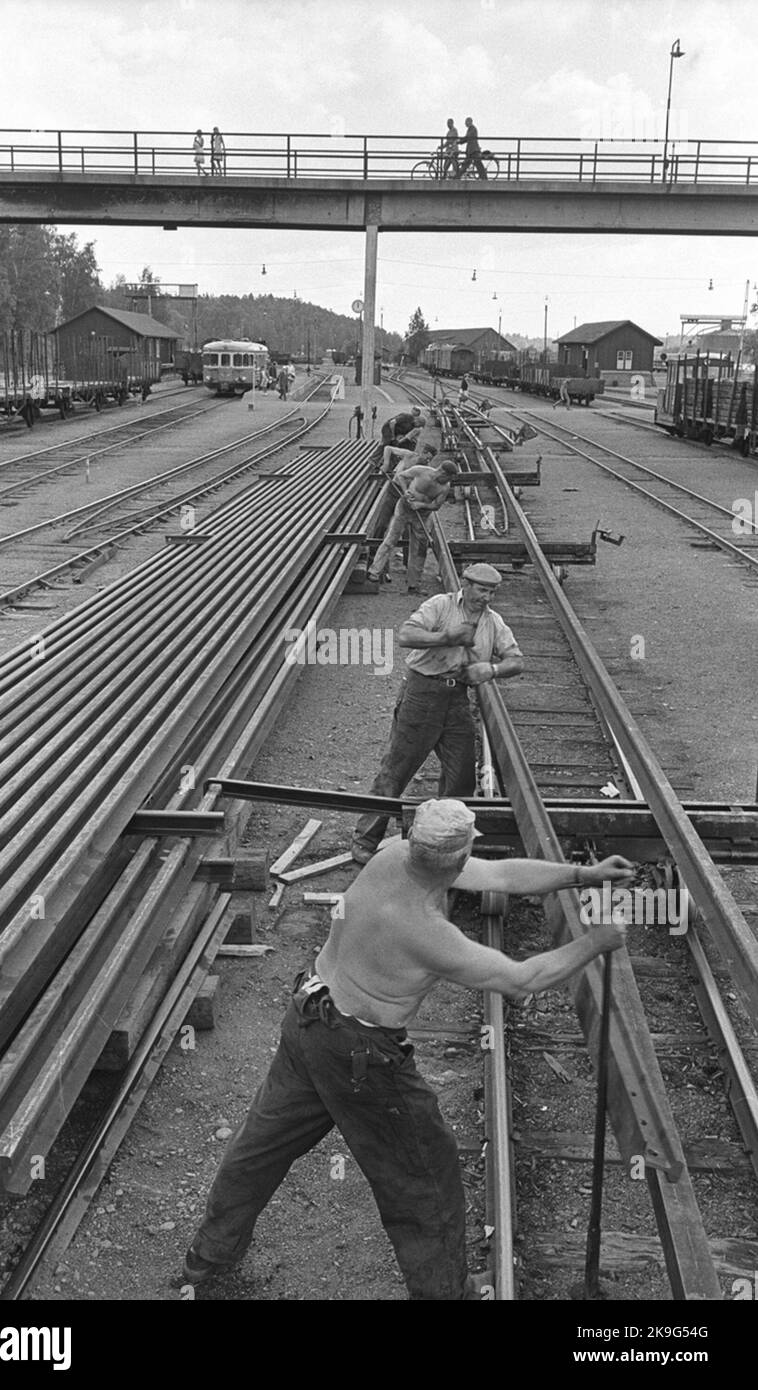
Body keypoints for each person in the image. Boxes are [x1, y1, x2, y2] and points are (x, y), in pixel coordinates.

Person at [179, 797, 634, 1301]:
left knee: (260, 1148)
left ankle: (208, 1258)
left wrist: (582, 874)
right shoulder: (428, 933)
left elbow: (500, 875)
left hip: (308, 1016)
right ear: (456, 860)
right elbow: (523, 980)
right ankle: (447, 1294)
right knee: (424, 1177)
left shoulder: (392, 855)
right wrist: (595, 942)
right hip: (360, 1058)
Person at [352, 563, 522, 862]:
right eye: (482, 590)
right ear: (466, 585)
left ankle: (446, 845)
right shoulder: (440, 606)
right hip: (422, 694)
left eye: (492, 592)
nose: (487, 597)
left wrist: (492, 668)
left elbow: (516, 661)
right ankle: (365, 839)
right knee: (396, 769)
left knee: (461, 777)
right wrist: (446, 638)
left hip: (457, 699)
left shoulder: (493, 622)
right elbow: (406, 635)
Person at [366, 456, 459, 595]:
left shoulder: (444, 487)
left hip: (421, 516)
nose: (449, 481)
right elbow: (401, 476)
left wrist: (421, 505)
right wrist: (406, 492)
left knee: (419, 549)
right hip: (404, 509)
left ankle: (413, 585)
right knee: (391, 540)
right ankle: (374, 572)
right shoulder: (421, 471)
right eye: (448, 478)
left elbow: (436, 506)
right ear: (442, 472)